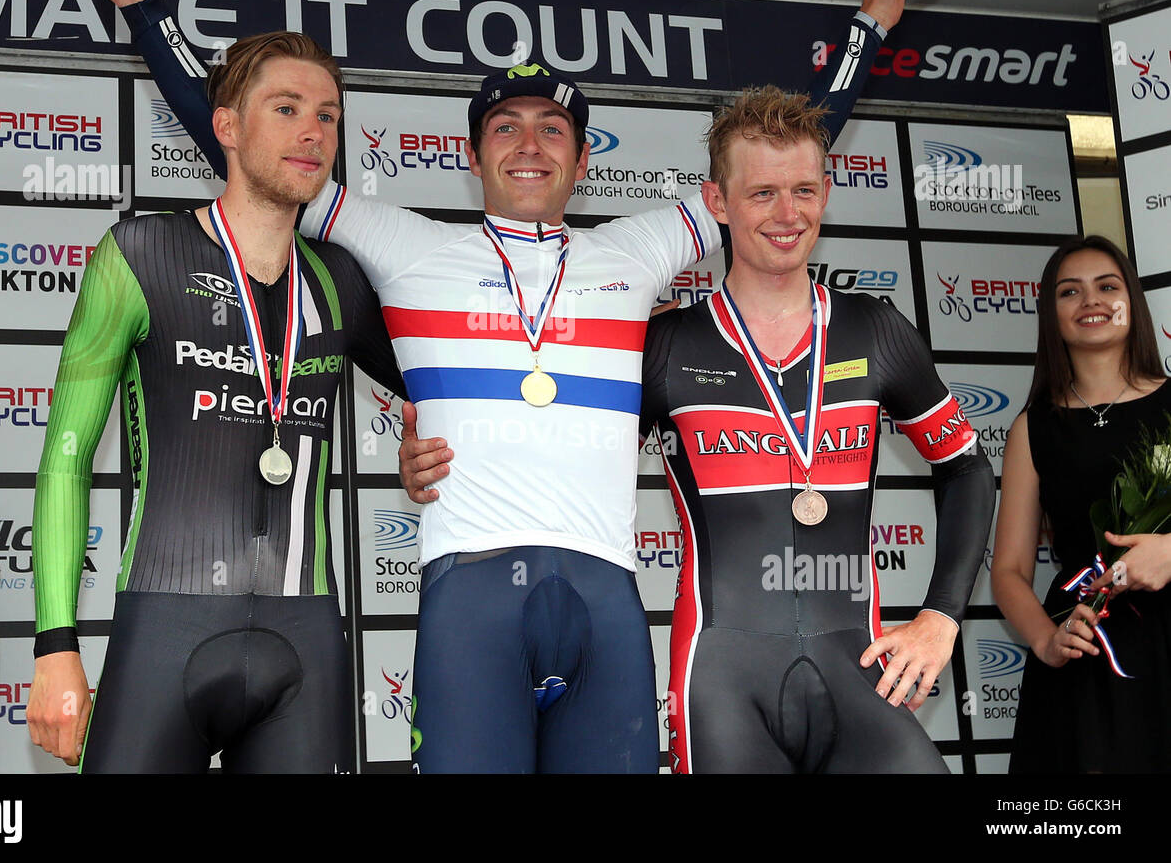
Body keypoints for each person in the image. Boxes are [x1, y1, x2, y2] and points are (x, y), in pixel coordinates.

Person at [63, 0, 942, 772]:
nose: (530, 145)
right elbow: (251, 152)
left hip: (604, 594)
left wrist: (868, 27)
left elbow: (781, 159)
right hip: (471, 596)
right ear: (472, 153)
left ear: (582, 156)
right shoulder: (405, 246)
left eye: (553, 128)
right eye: (507, 128)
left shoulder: (637, 251)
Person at [408, 88, 996, 772]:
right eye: (762, 194)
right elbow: (546, 437)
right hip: (720, 682)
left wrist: (941, 616)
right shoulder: (663, 347)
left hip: (857, 669)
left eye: (804, 190)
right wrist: (430, 449)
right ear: (717, 203)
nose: (786, 214)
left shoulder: (877, 329)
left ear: (827, 193)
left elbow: (967, 467)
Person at [25, 32, 406, 771]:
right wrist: (54, 646)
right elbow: (65, 463)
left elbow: (447, 385)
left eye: (328, 115)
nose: (312, 132)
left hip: (307, 643)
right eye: (287, 107)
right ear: (226, 127)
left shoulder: (342, 282)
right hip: (164, 631)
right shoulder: (138, 254)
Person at [991, 235, 1171, 773]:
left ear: (1131, 302)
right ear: (1051, 314)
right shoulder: (1032, 428)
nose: (1090, 301)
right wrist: (1047, 641)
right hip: (1085, 655)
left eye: (1107, 287)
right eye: (1070, 291)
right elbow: (1009, 570)